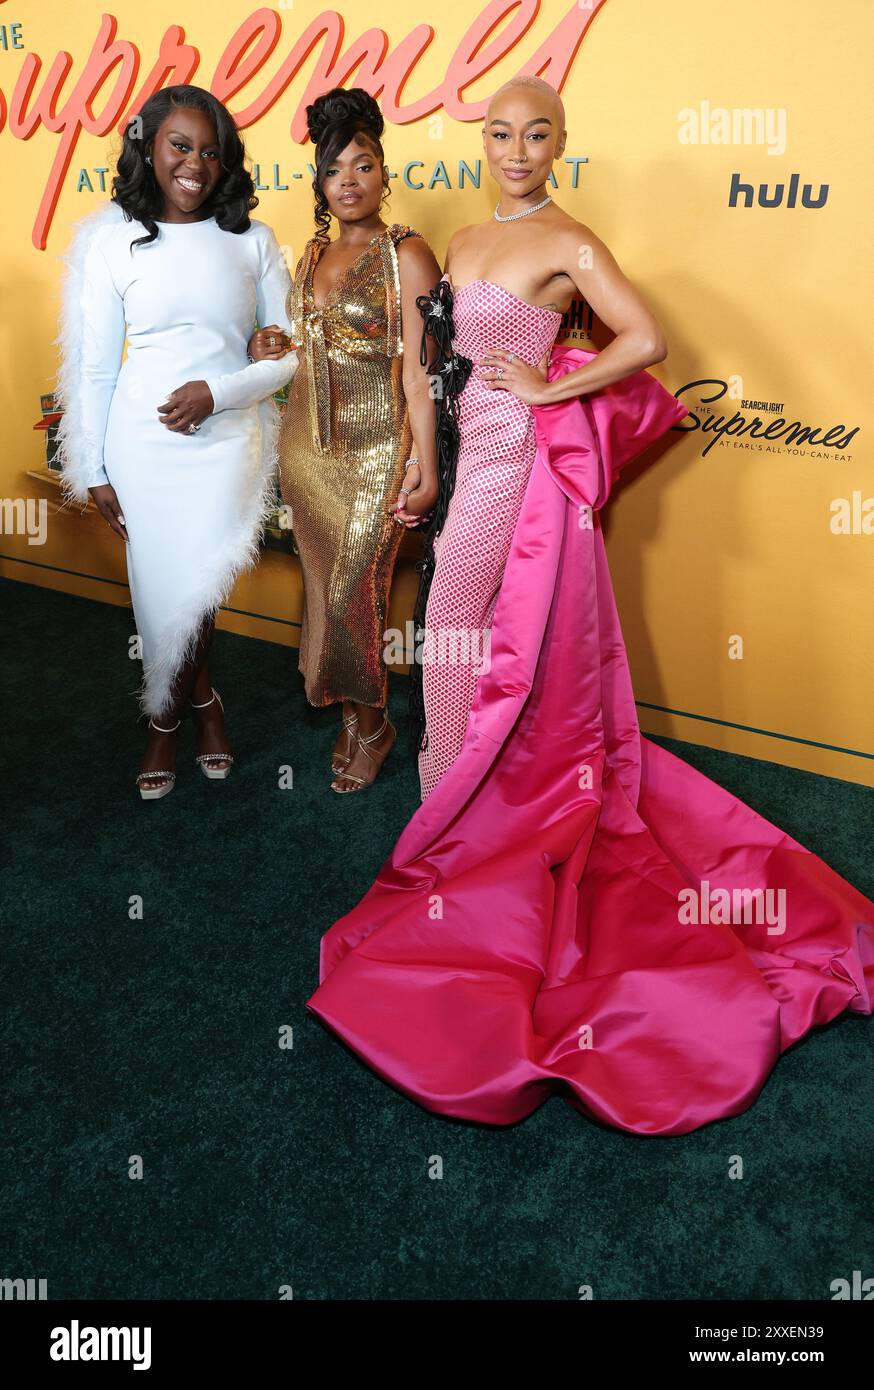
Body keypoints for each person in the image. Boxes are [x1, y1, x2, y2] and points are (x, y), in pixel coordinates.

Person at [305, 77, 874, 1135]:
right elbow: (433, 358)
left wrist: (550, 389)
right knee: (456, 651)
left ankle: (442, 833)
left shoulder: (570, 240)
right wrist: (428, 456)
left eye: (536, 133)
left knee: (449, 646)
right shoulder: (468, 234)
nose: (516, 148)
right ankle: (454, 822)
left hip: (512, 467)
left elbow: (645, 341)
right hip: (461, 453)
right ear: (484, 141)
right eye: (500, 132)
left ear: (562, 143)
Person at [56, 85, 299, 799]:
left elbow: (284, 356)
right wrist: (94, 465)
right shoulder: (111, 238)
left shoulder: (252, 241)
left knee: (198, 584)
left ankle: (171, 713)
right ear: (149, 147)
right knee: (158, 587)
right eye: (181, 146)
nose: (195, 163)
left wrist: (214, 393)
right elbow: (96, 366)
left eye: (210, 151)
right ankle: (190, 707)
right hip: (141, 446)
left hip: (227, 442)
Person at [261, 87, 440, 793]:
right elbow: (300, 351)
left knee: (353, 592)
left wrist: (422, 459)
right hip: (307, 449)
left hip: (377, 451)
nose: (349, 182)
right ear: (320, 184)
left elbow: (423, 373)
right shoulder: (308, 257)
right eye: (335, 170)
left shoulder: (408, 255)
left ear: (383, 174)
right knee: (322, 589)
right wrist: (272, 341)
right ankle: (353, 719)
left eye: (362, 166)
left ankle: (377, 724)